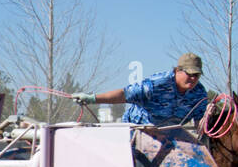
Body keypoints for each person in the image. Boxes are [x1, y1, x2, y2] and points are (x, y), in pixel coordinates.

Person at [74, 52, 212, 126]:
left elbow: (200, 123)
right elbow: (124, 94)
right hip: (138, 130)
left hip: (170, 137)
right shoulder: (156, 84)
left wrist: (208, 117)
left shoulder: (199, 94)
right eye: (190, 74)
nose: (193, 79)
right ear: (177, 70)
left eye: (197, 75)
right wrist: (92, 98)